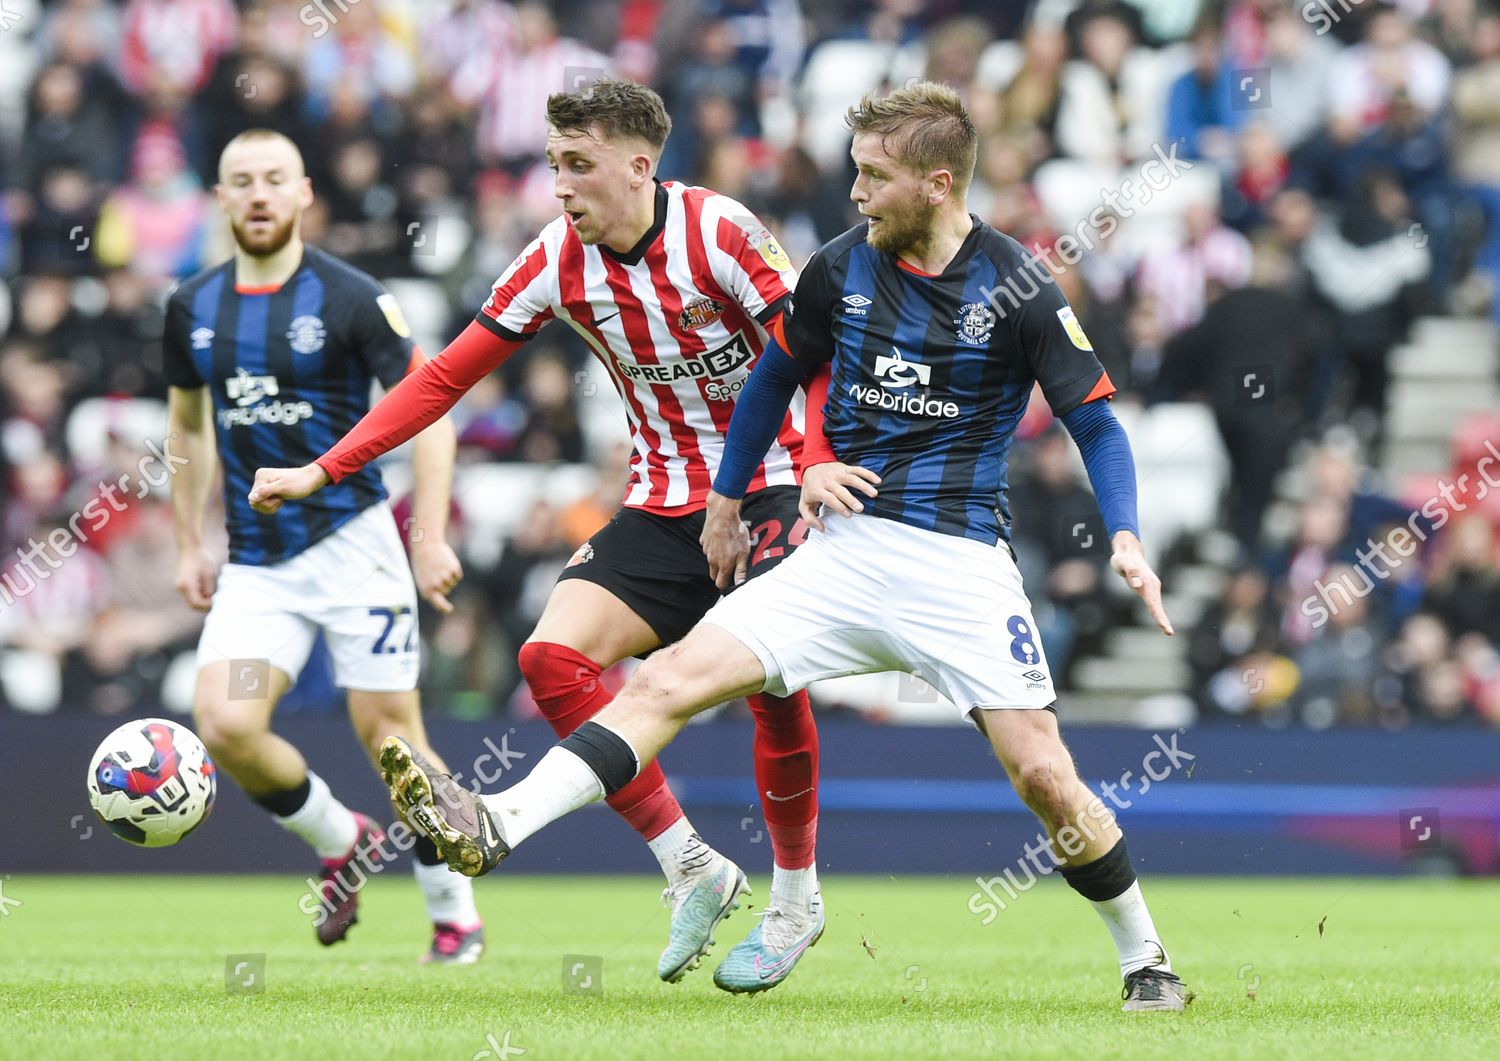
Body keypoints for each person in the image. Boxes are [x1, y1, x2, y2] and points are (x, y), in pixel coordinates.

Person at [366, 81, 1190, 1011]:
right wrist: (731, 498)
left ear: (938, 183)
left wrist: (1125, 533)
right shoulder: (840, 268)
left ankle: (1146, 958)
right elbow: (771, 379)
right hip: (839, 550)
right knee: (667, 680)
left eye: (875, 177)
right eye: (855, 171)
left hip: (959, 563)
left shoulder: (1018, 284)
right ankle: (500, 819)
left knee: (1042, 773)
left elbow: (1096, 422)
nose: (857, 192)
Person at [246, 80, 821, 990]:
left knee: (770, 682)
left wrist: (817, 465)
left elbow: (812, 351)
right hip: (663, 499)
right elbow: (443, 379)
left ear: (639, 166)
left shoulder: (722, 232)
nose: (560, 186)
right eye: (554, 164)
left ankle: (795, 899)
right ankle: (691, 865)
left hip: (776, 481)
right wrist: (327, 466)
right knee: (551, 660)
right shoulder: (556, 257)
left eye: (579, 165)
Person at [164, 129, 483, 964]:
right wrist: (189, 542)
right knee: (226, 722)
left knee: (392, 739)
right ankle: (342, 837)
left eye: (274, 178)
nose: (259, 194)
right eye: (242, 181)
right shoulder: (191, 306)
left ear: (304, 192)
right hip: (258, 569)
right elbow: (187, 426)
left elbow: (433, 414)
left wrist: (427, 537)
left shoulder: (353, 298)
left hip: (357, 554)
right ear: (220, 199)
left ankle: (454, 914)